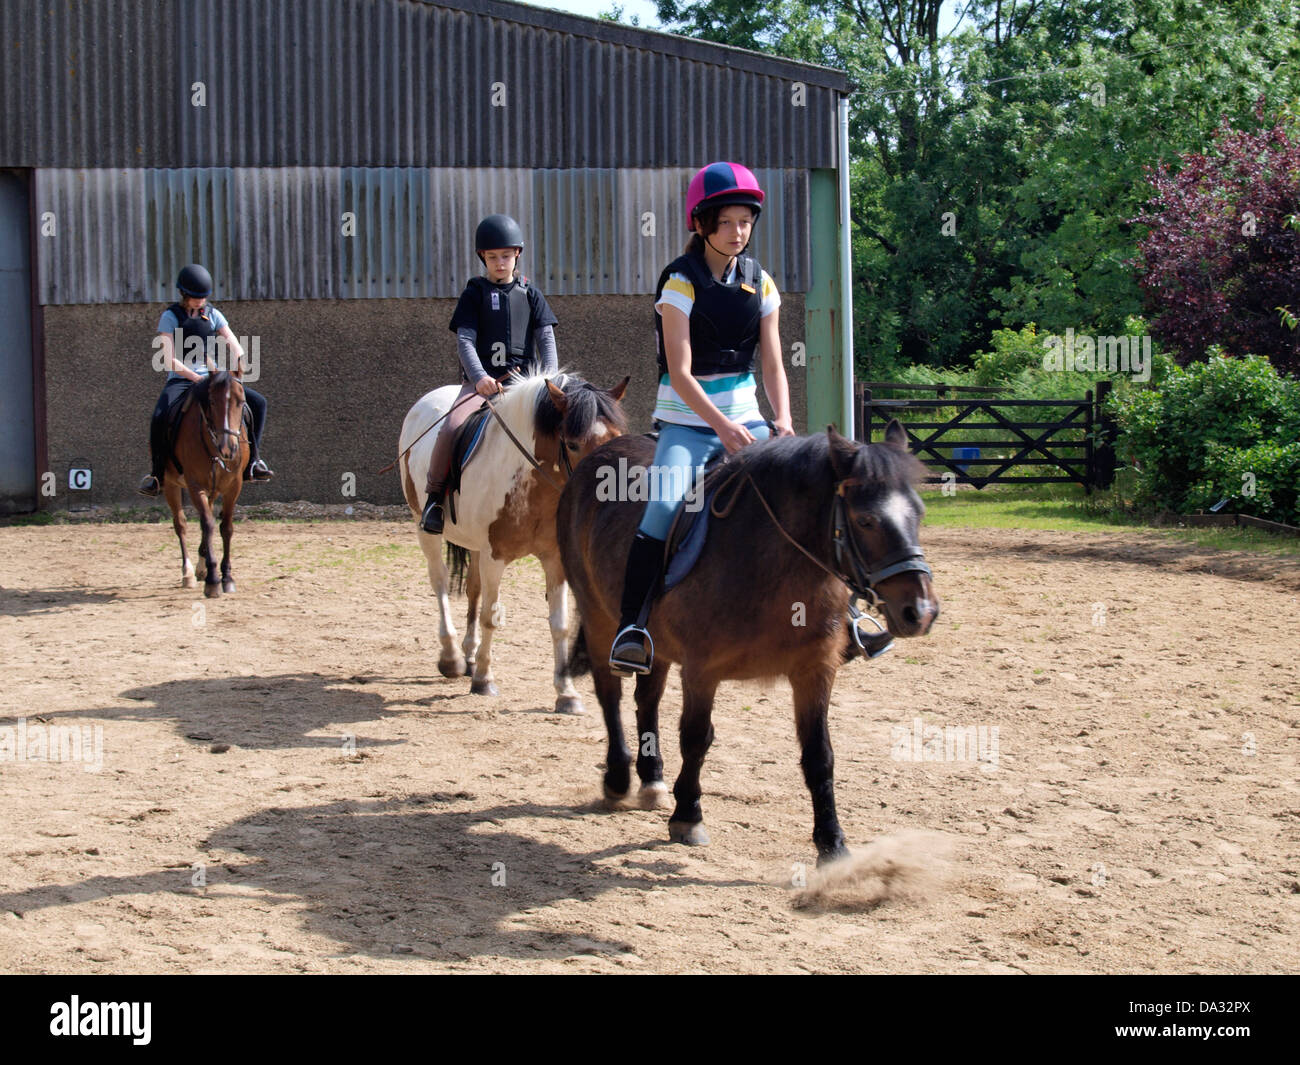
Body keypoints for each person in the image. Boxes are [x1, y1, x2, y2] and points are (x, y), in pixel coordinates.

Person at [609, 162, 795, 675]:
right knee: (662, 507)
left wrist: (782, 421)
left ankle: (839, 612)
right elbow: (682, 373)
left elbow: (775, 363)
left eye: (746, 221)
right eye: (728, 222)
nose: (740, 232)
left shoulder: (762, 284)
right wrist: (719, 426)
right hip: (687, 423)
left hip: (748, 421)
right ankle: (633, 625)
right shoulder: (679, 284)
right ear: (701, 223)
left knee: (800, 493)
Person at [420, 214, 559, 533]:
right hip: (481, 385)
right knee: (452, 427)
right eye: (493, 257)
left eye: (506, 256)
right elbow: (465, 340)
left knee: (563, 428)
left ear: (517, 255)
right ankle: (435, 500)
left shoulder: (531, 295)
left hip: (524, 386)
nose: (500, 263)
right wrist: (479, 377)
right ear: (483, 257)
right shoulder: (474, 294)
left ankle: (569, 499)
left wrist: (548, 382)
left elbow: (546, 339)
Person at [137, 264, 273, 496]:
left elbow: (232, 341)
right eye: (195, 297)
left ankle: (254, 463)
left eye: (203, 297)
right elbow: (169, 359)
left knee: (258, 403)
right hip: (182, 379)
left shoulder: (213, 315)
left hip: (214, 377)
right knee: (159, 415)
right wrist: (195, 377)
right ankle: (157, 475)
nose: (200, 301)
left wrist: (240, 361)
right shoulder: (170, 317)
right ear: (184, 294)